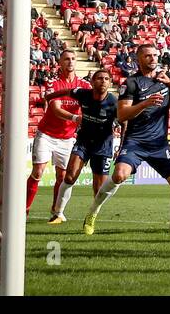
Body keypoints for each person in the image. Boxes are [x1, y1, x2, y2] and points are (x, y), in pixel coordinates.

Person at [82, 43, 170, 234]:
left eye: (155, 55)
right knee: (119, 175)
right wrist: (145, 103)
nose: (153, 58)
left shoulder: (164, 80)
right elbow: (122, 115)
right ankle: (92, 213)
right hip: (135, 142)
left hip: (159, 143)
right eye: (148, 56)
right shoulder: (131, 83)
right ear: (139, 58)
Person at [44, 68, 118, 223]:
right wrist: (49, 97)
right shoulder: (83, 93)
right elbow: (66, 91)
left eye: (106, 78)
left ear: (110, 83)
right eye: (99, 78)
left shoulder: (114, 102)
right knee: (70, 177)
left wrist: (122, 147)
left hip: (103, 146)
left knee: (99, 189)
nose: (102, 81)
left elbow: (125, 124)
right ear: (92, 82)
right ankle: (58, 213)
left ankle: (92, 215)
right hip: (84, 142)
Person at [27, 50, 89, 217]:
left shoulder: (85, 86)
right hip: (46, 134)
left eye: (73, 59)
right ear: (60, 63)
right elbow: (55, 109)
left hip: (67, 138)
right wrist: (77, 118)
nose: (70, 62)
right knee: (38, 172)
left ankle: (56, 212)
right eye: (66, 59)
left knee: (62, 176)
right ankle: (23, 209)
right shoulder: (52, 84)